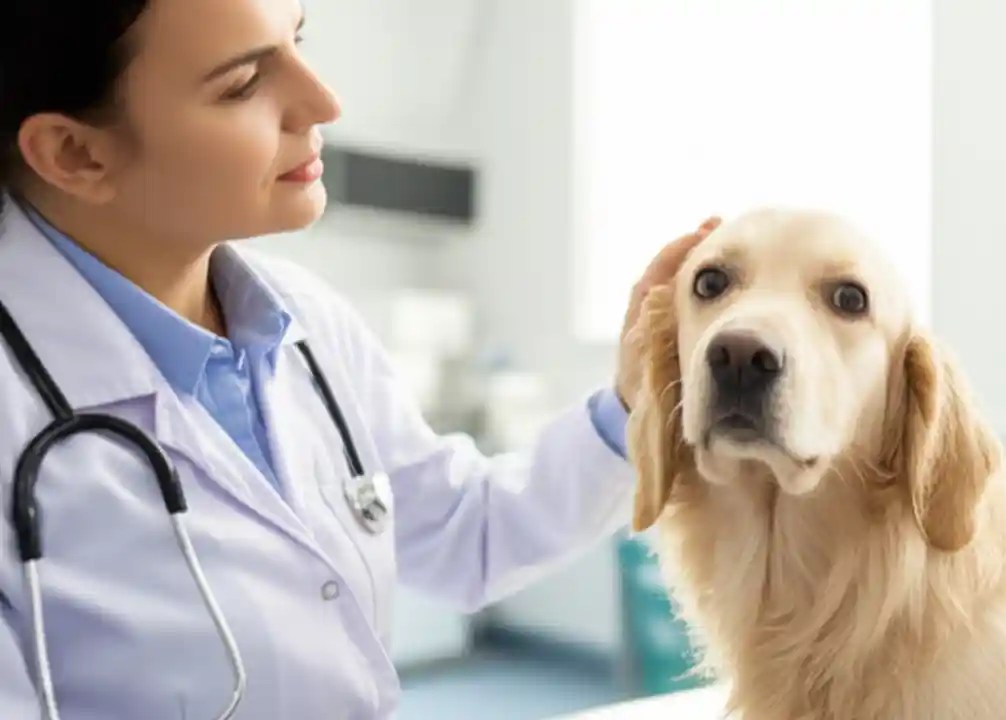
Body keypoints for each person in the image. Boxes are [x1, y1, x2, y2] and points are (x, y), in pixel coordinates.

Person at [0, 0, 719, 717]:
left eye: (298, 41)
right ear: (76, 154)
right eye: (244, 84)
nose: (323, 101)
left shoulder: (307, 324)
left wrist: (634, 394)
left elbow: (467, 533)